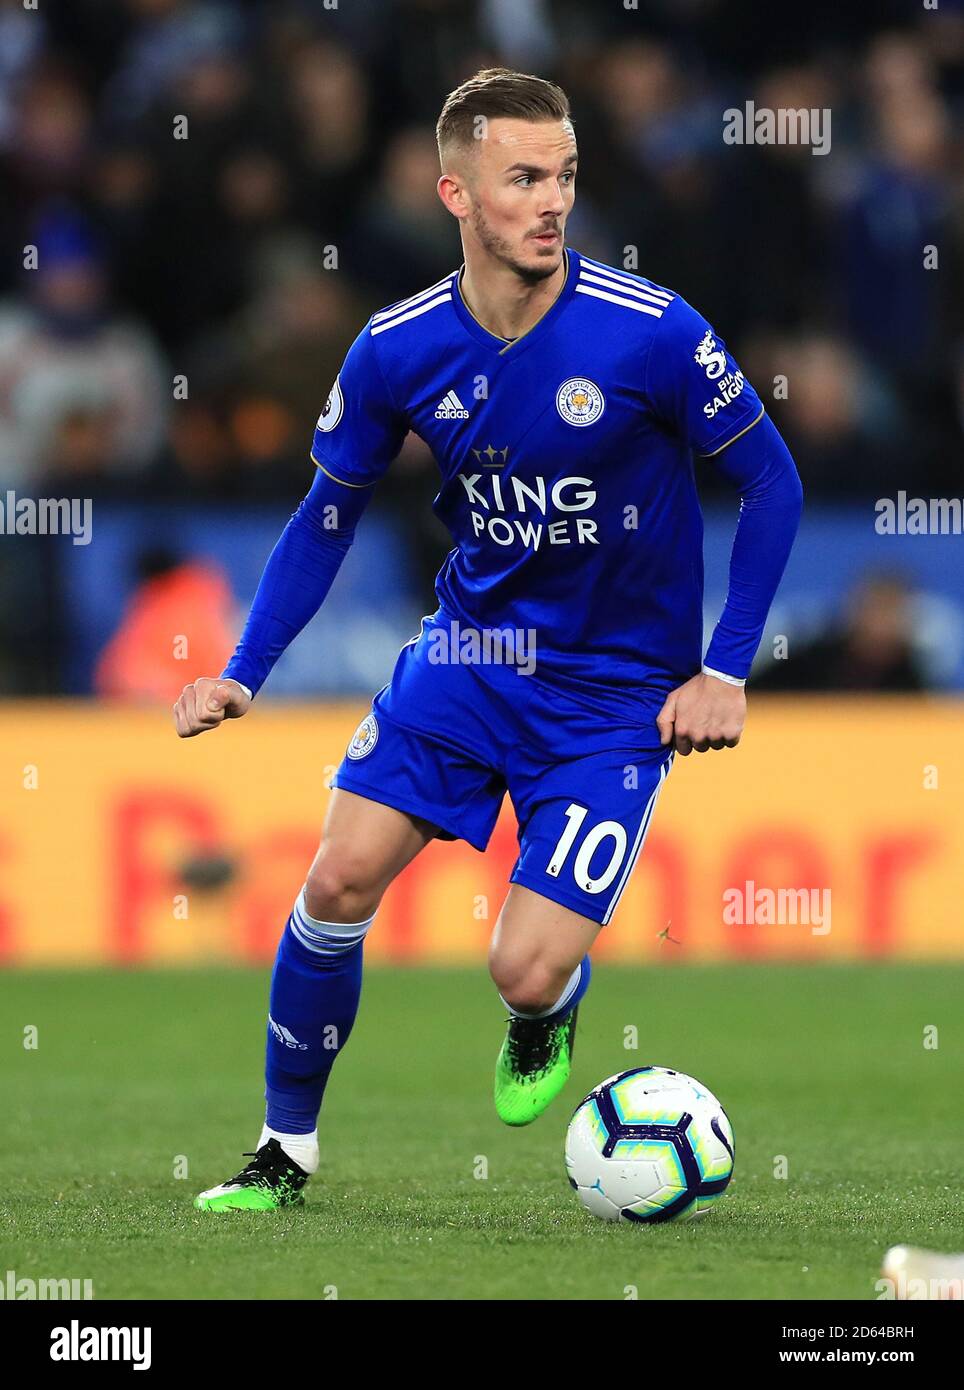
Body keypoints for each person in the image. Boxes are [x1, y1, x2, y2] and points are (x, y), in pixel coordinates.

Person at [173, 68, 803, 1212]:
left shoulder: (650, 333)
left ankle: (544, 1008)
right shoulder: (396, 350)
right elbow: (326, 515)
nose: (551, 200)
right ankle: (282, 1152)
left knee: (520, 966)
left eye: (563, 175)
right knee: (336, 878)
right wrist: (239, 670)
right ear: (453, 191)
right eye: (522, 177)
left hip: (615, 698)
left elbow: (771, 479)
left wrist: (722, 667)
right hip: (468, 663)